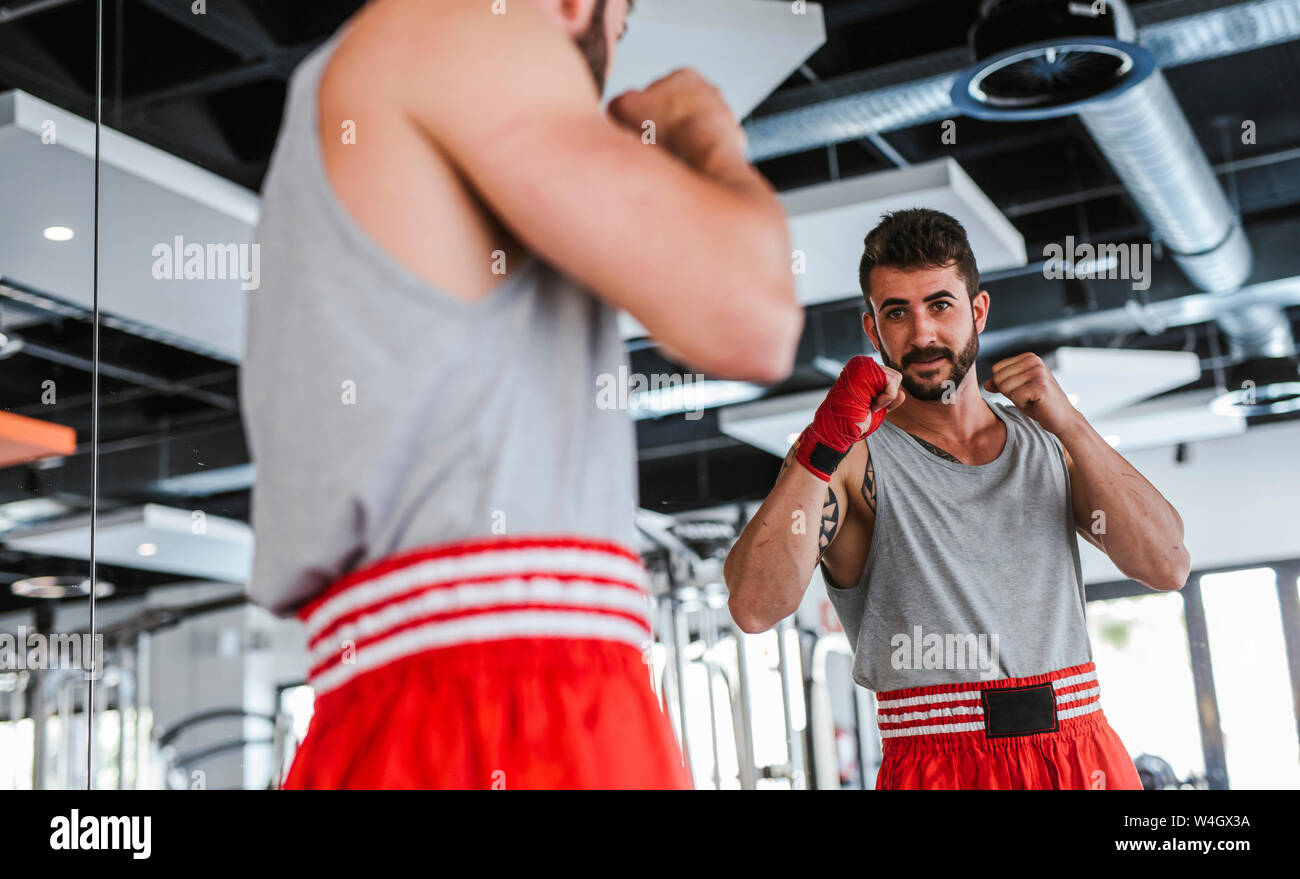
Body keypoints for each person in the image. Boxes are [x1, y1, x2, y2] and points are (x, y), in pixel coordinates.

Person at [239, 0, 802, 789]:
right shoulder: (456, 22)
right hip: (504, 699)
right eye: (624, 21)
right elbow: (755, 317)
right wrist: (707, 130)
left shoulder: (362, 76)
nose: (618, 47)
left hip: (408, 703)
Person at [724, 208, 1190, 790]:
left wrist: (1071, 423)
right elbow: (753, 607)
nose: (921, 335)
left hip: (1081, 750)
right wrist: (821, 444)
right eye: (897, 312)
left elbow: (1167, 564)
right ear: (874, 331)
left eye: (940, 305)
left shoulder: (1048, 440)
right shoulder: (847, 459)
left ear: (977, 310)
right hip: (941, 761)